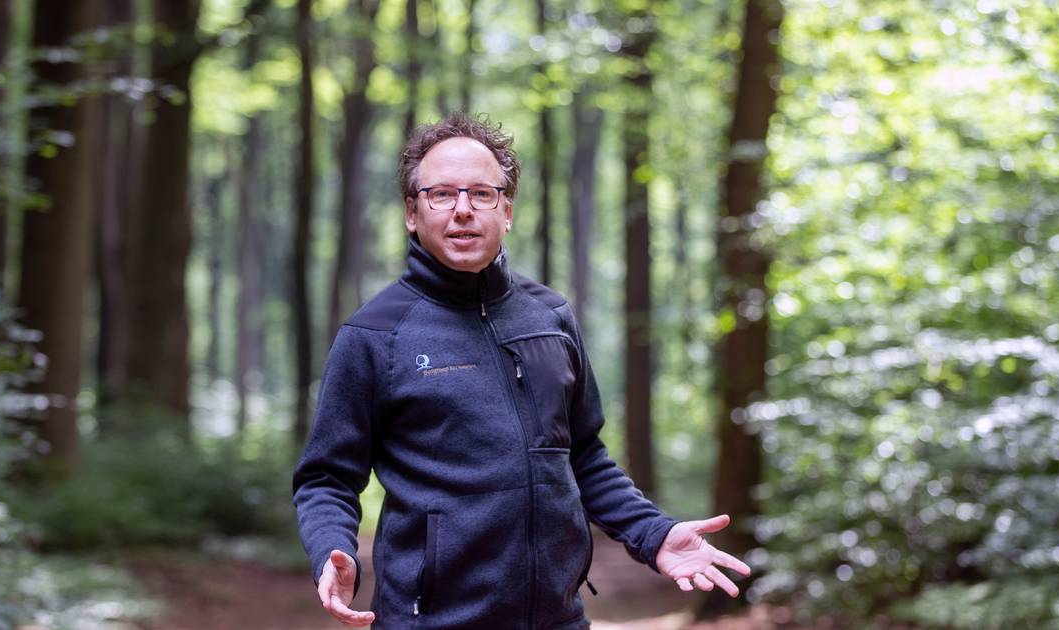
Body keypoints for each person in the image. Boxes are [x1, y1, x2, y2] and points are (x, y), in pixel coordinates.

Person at [292, 112, 750, 629]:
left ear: (506, 210)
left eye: (482, 194)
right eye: (441, 194)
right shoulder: (376, 335)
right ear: (412, 213)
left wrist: (655, 534)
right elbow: (326, 476)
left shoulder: (549, 318)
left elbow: (583, 456)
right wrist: (334, 548)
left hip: (558, 619)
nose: (463, 210)